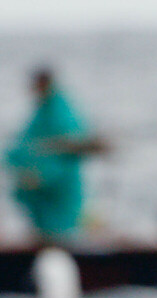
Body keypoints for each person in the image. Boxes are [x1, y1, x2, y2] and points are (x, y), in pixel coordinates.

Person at [4, 67, 107, 245]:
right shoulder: (42, 111)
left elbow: (75, 142)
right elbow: (25, 144)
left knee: (63, 227)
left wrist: (44, 158)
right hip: (44, 177)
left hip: (59, 178)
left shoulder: (60, 110)